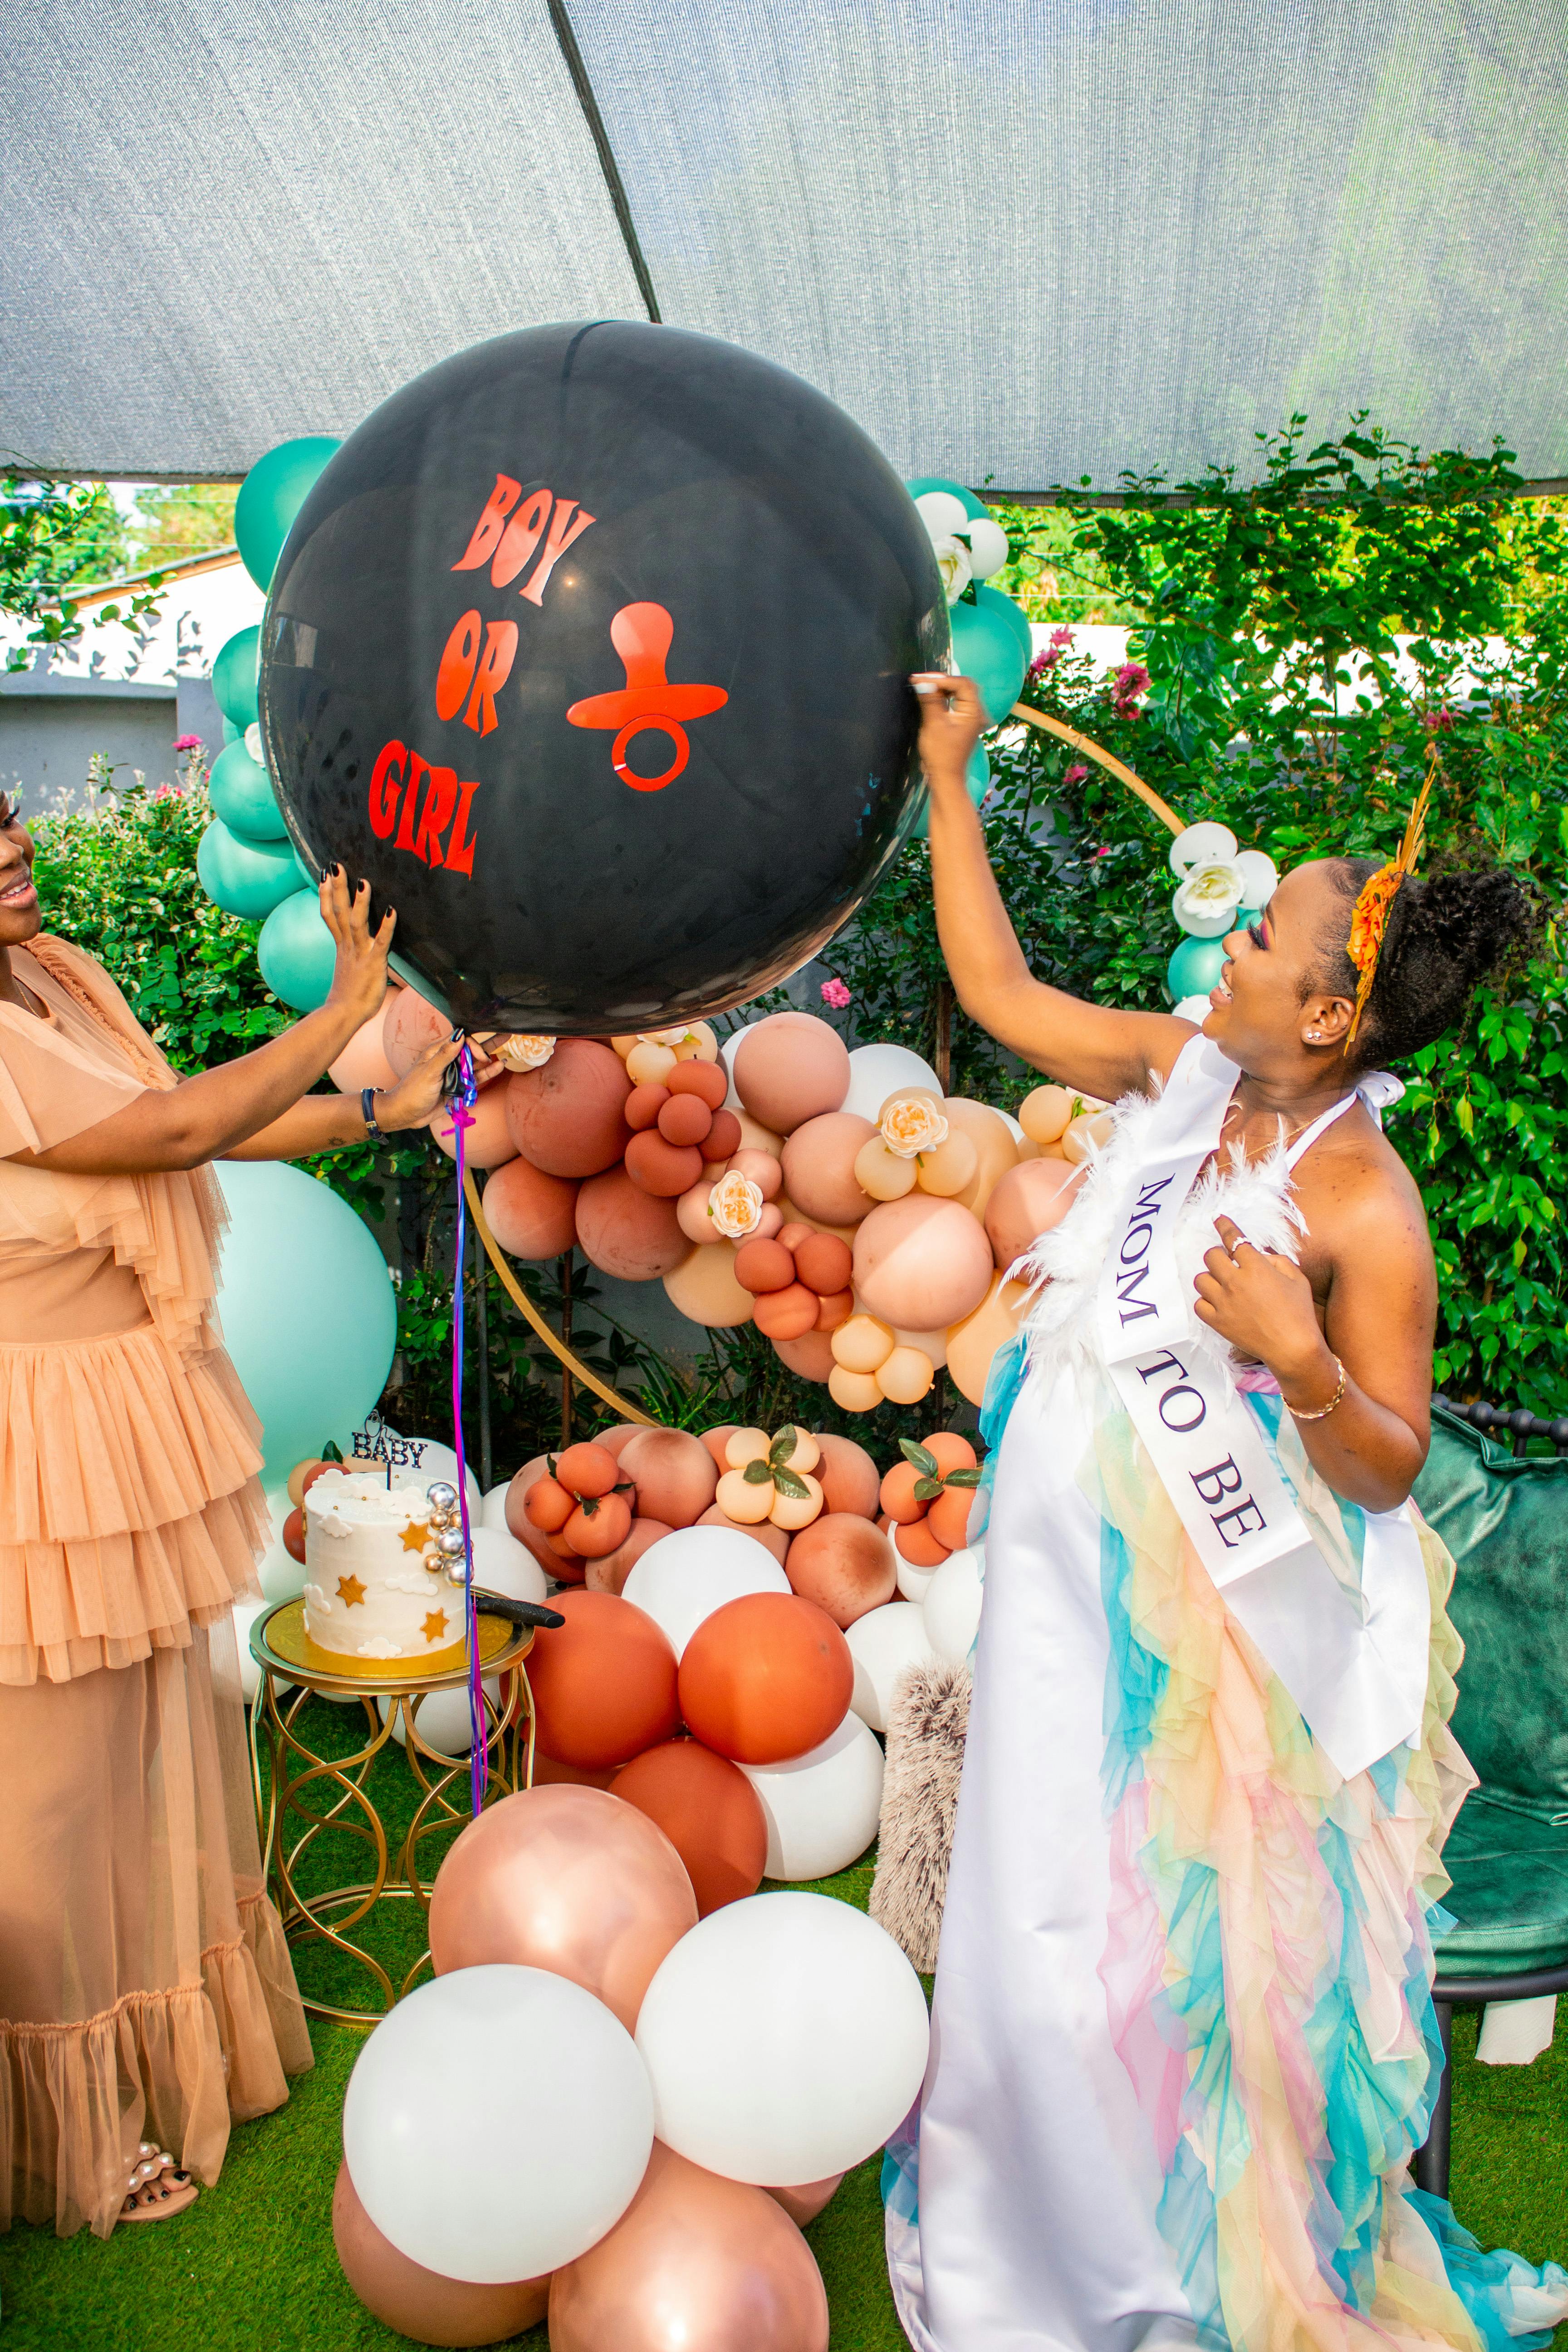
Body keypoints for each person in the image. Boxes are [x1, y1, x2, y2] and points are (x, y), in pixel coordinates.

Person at [885, 673, 1568, 2352]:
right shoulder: (1194, 1069)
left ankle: (1163, 2266)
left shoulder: (1363, 1200)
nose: (1236, 941)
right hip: (1052, 1586)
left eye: (1264, 934)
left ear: (1328, 1018)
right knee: (1029, 1922)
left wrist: (1301, 1362)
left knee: (1159, 1961)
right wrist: (946, 777)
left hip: (1205, 1650)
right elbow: (996, 990)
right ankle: (1020, 2226)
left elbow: (1395, 1461)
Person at [0, 791, 460, 2238]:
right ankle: (62, 2131)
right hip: (31, 1437)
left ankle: (150, 2052)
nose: (10, 843)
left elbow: (194, 1139)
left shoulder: (53, 970)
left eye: (6, 813)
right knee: (47, 1794)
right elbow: (182, 1119)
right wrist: (350, 1012)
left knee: (147, 1734)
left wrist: (384, 1098)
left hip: (113, 1410)